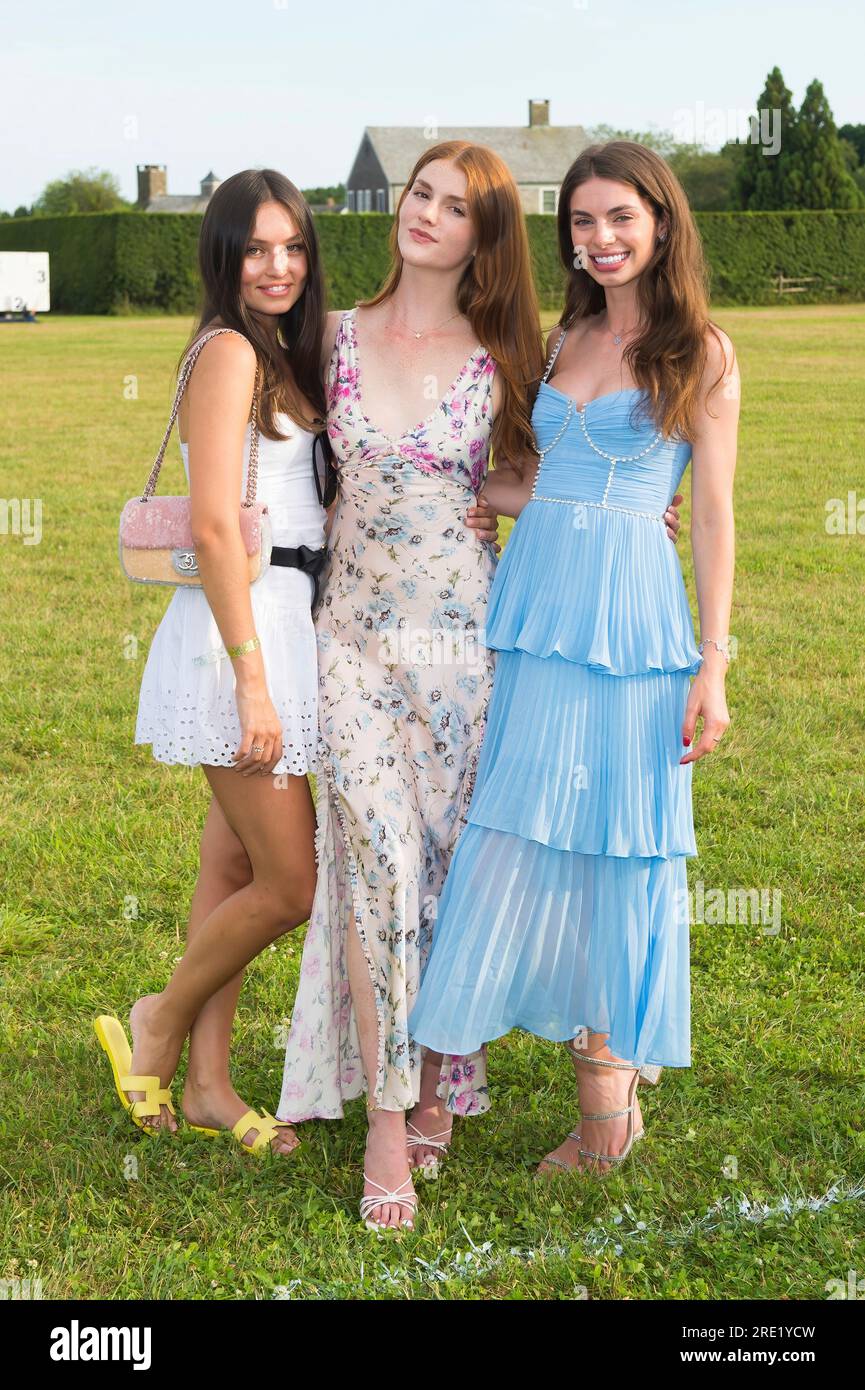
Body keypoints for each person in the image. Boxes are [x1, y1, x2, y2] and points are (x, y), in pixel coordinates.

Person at [274, 142, 686, 1228]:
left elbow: (537, 473)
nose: (427, 215)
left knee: (454, 867)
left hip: (469, 645)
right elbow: (270, 450)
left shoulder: (514, 354)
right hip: (352, 642)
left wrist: (630, 512)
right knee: (375, 865)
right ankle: (383, 1121)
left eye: (456, 207)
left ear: (483, 237)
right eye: (419, 193)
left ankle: (445, 1093)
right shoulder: (328, 339)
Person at [410, 140, 738, 1178]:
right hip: (538, 611)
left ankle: (607, 1105)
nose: (599, 240)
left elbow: (716, 514)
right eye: (582, 224)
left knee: (616, 846)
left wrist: (713, 663)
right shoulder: (563, 341)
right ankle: (437, 1083)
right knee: (512, 827)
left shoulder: (704, 354)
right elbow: (536, 482)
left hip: (633, 627)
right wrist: (468, 492)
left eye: (619, 219)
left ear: (660, 222)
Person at [95, 169, 329, 1154]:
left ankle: (206, 1086)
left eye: (292, 247)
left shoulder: (276, 346)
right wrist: (250, 677)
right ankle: (158, 1016)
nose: (276, 266)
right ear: (224, 256)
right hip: (241, 631)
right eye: (255, 248)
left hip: (283, 617)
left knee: (232, 860)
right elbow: (211, 527)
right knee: (292, 883)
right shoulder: (230, 350)